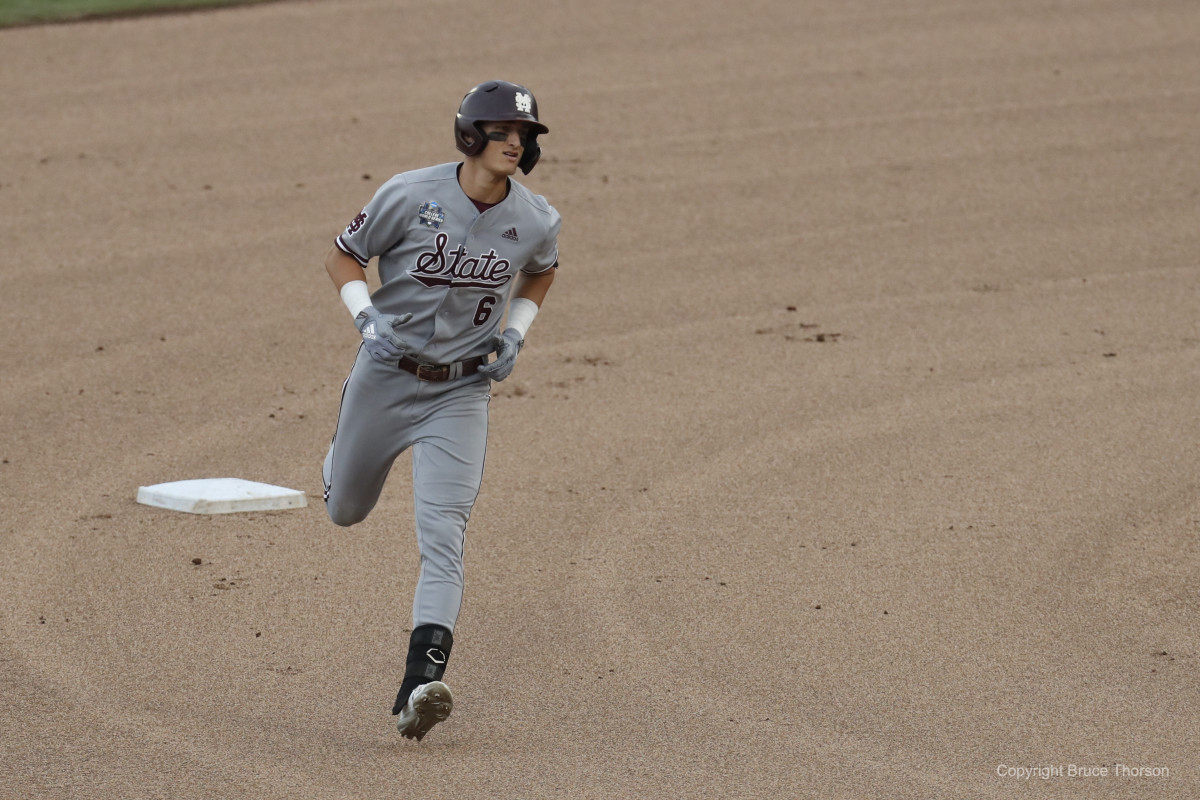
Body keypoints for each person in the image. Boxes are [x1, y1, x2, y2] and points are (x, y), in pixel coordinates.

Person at [320, 80, 560, 741]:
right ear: (470, 135)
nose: (517, 142)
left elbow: (542, 268)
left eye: (526, 135)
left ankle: (418, 686)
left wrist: (516, 330)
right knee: (345, 508)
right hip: (385, 378)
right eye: (505, 131)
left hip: (461, 391)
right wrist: (364, 316)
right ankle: (339, 457)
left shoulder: (535, 218)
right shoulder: (408, 194)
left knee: (444, 532)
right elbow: (345, 252)